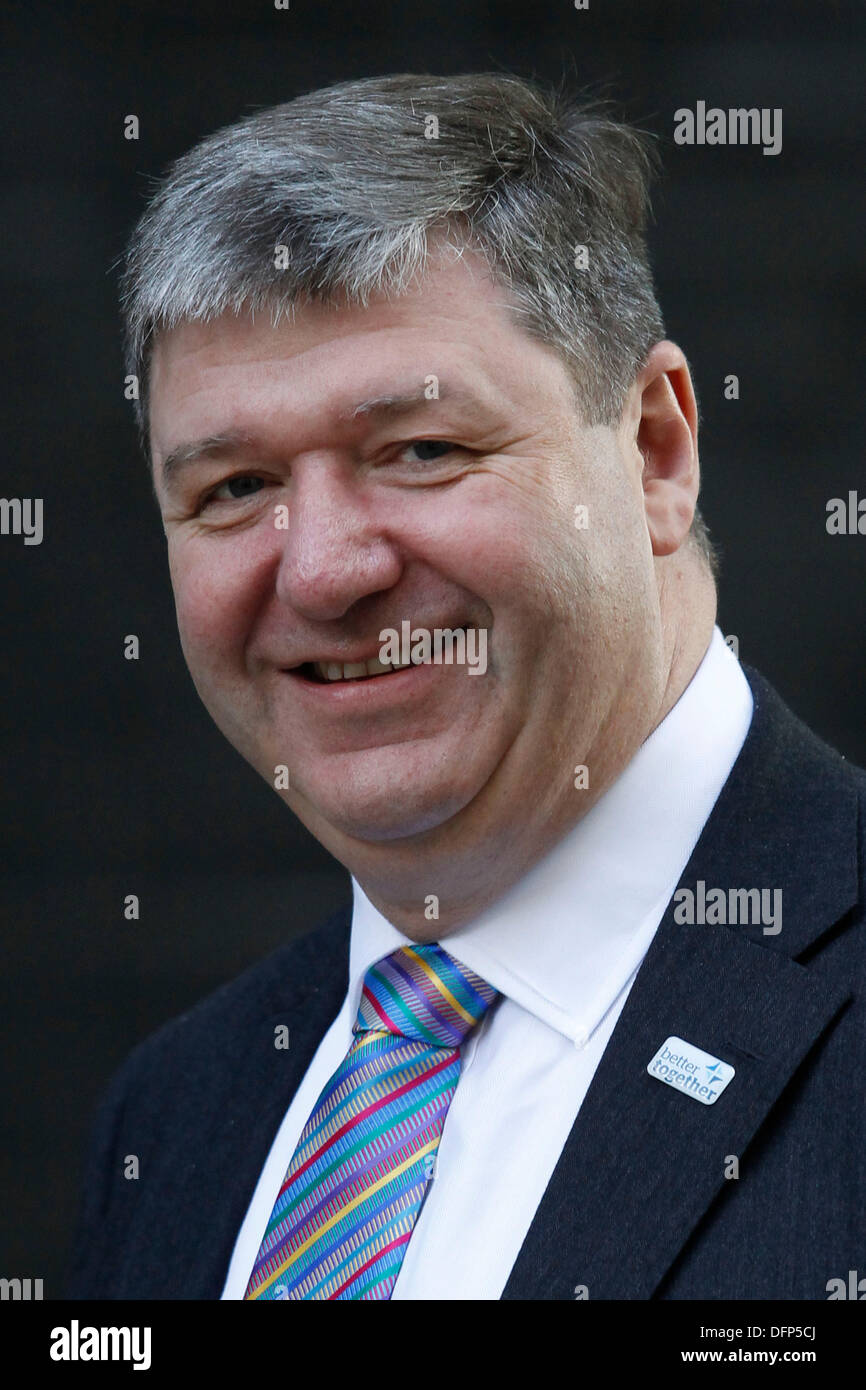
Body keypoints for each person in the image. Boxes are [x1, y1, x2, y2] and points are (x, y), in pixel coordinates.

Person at [66, 72, 865, 1301]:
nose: (325, 571)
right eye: (231, 487)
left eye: (421, 451)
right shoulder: (171, 1118)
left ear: (654, 450)